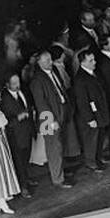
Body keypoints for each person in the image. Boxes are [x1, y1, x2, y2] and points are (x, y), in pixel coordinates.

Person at [29, 49, 73, 190]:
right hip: (47, 119)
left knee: (60, 145)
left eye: (50, 59)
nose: (50, 62)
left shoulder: (53, 71)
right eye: (46, 60)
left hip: (60, 112)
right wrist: (51, 120)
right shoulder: (37, 80)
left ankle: (60, 171)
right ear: (39, 62)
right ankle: (58, 179)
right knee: (53, 148)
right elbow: (41, 103)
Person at [71, 48, 110, 176]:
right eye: (91, 60)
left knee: (99, 137)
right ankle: (91, 162)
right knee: (91, 140)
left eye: (93, 59)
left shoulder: (93, 73)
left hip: (99, 112)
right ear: (83, 63)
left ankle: (98, 158)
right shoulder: (80, 80)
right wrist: (90, 119)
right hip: (91, 117)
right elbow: (82, 102)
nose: (94, 62)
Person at [0, 73, 35, 199]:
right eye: (14, 83)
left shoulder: (21, 91)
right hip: (16, 135)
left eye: (18, 82)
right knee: (19, 161)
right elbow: (3, 120)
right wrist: (17, 118)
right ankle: (23, 187)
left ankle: (26, 179)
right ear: (7, 84)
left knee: (25, 159)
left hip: (27, 131)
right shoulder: (4, 98)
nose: (17, 85)